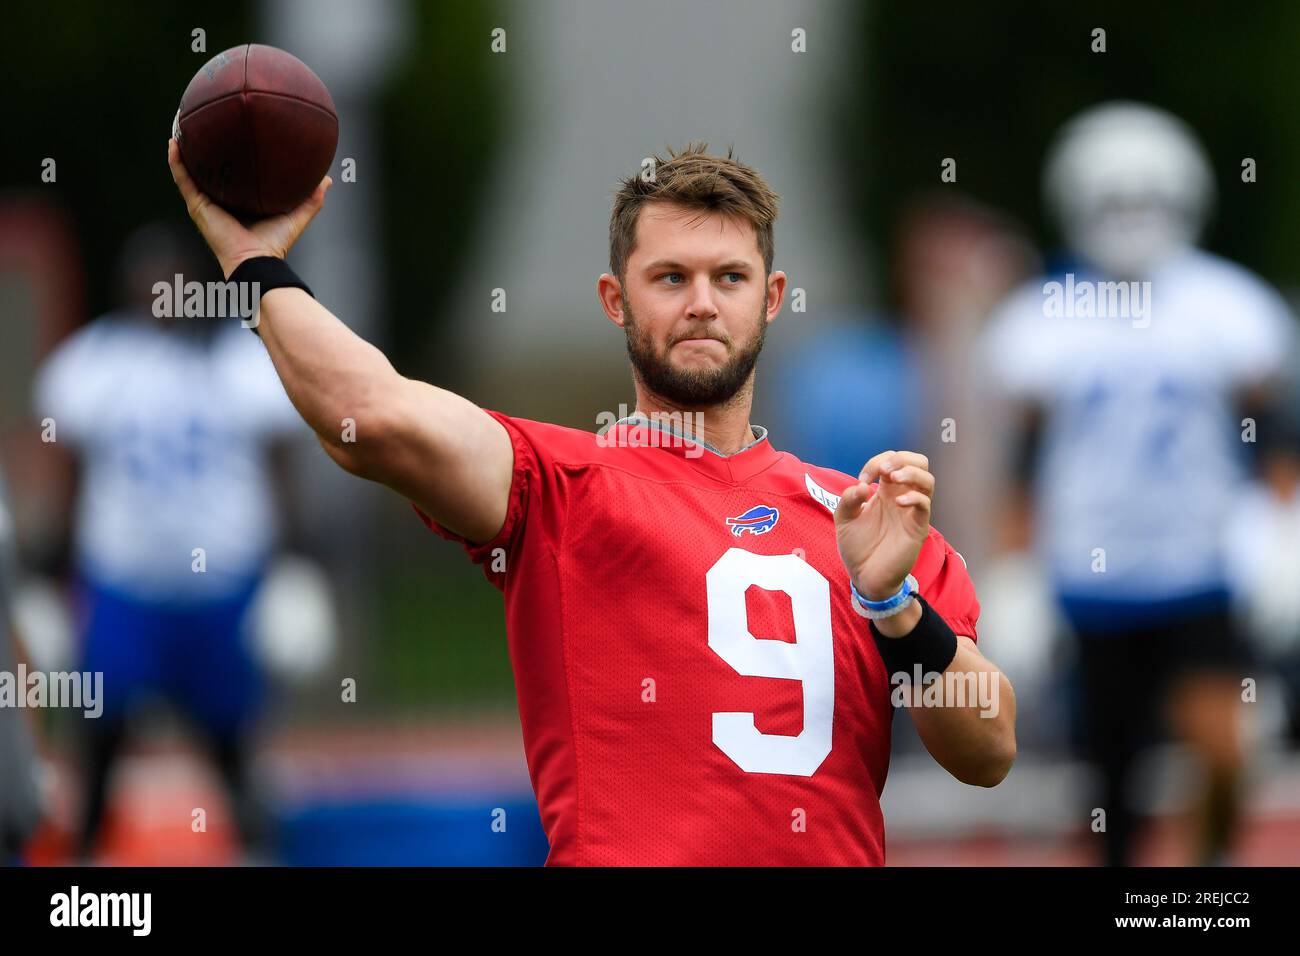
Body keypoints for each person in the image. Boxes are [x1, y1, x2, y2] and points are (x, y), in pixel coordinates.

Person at [168, 139, 1017, 866]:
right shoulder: (563, 484)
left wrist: (894, 608)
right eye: (669, 277)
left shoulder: (861, 518)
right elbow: (369, 416)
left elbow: (989, 752)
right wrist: (256, 264)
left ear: (771, 297)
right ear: (617, 300)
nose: (700, 303)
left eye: (729, 276)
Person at [980, 102, 1297, 865]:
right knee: (1108, 789)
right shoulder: (1042, 320)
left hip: (1199, 569)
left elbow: (1272, 437)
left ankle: (1204, 877)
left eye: (1146, 199)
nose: (1130, 219)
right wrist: (1017, 566)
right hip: (1093, 576)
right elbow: (1023, 460)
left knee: (1227, 749)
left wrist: (1285, 529)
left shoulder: (1228, 307)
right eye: (1113, 202)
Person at [32, 223, 304, 861]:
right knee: (99, 741)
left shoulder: (241, 361)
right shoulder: (94, 364)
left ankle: (254, 854)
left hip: (224, 591)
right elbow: (69, 483)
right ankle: (86, 880)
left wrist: (296, 563)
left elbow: (280, 471)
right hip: (125, 589)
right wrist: (49, 578)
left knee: (234, 748)